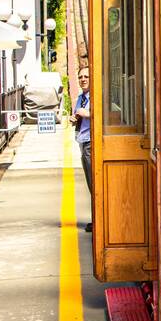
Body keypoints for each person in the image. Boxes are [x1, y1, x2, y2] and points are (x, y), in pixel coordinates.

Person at [71, 67, 92, 232]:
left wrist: (89, 113)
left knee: (94, 184)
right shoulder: (81, 98)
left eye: (86, 76)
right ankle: (96, 218)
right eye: (80, 77)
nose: (83, 79)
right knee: (90, 183)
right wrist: (74, 118)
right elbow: (79, 115)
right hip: (82, 141)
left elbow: (101, 113)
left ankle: (98, 219)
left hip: (91, 143)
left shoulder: (95, 98)